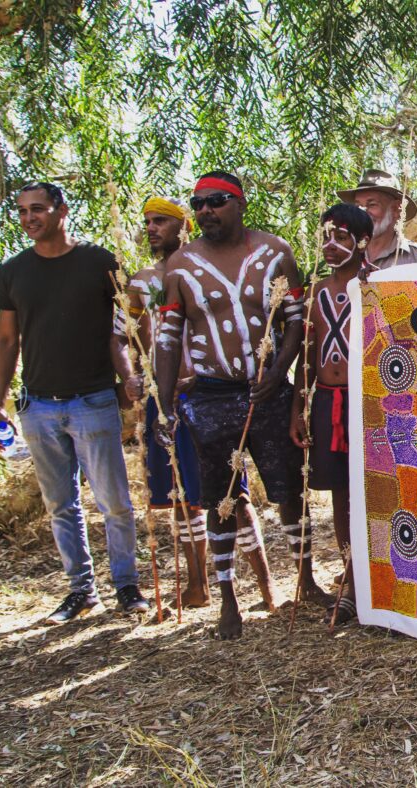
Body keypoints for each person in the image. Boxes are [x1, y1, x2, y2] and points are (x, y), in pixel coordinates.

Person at [153, 171, 327, 640]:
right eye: (199, 204)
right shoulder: (181, 266)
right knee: (221, 499)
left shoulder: (275, 253)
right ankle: (228, 598)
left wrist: (277, 374)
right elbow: (169, 339)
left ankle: (306, 580)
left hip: (269, 392)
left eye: (217, 202)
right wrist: (166, 404)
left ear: (240, 204)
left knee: (289, 489)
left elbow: (295, 320)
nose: (206, 211)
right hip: (210, 396)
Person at [0, 182, 149, 623]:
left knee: (114, 501)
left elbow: (127, 327)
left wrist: (130, 380)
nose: (28, 218)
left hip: (92, 401)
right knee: (61, 505)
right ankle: (81, 590)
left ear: (61, 211)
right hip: (38, 407)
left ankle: (127, 586)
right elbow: (6, 339)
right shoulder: (11, 271)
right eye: (21, 211)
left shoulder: (100, 263)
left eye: (37, 209)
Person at [118, 196, 275, 611]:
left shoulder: (204, 273)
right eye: (148, 222)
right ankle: (197, 585)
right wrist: (132, 376)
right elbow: (122, 337)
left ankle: (265, 587)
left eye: (161, 222)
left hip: (207, 394)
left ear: (182, 227)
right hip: (162, 397)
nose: (152, 228)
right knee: (179, 495)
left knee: (229, 493)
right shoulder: (140, 282)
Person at [290, 203, 371, 624]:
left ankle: (370, 584)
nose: (331, 245)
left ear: (362, 242)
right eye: (326, 237)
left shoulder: (377, 285)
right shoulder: (317, 291)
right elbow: (306, 353)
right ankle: (351, 582)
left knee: (368, 490)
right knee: (340, 494)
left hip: (365, 403)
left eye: (341, 236)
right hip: (327, 398)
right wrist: (298, 407)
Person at [337, 169, 417, 270]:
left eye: (371, 204)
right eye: (358, 206)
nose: (362, 212)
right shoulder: (346, 256)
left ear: (396, 209)